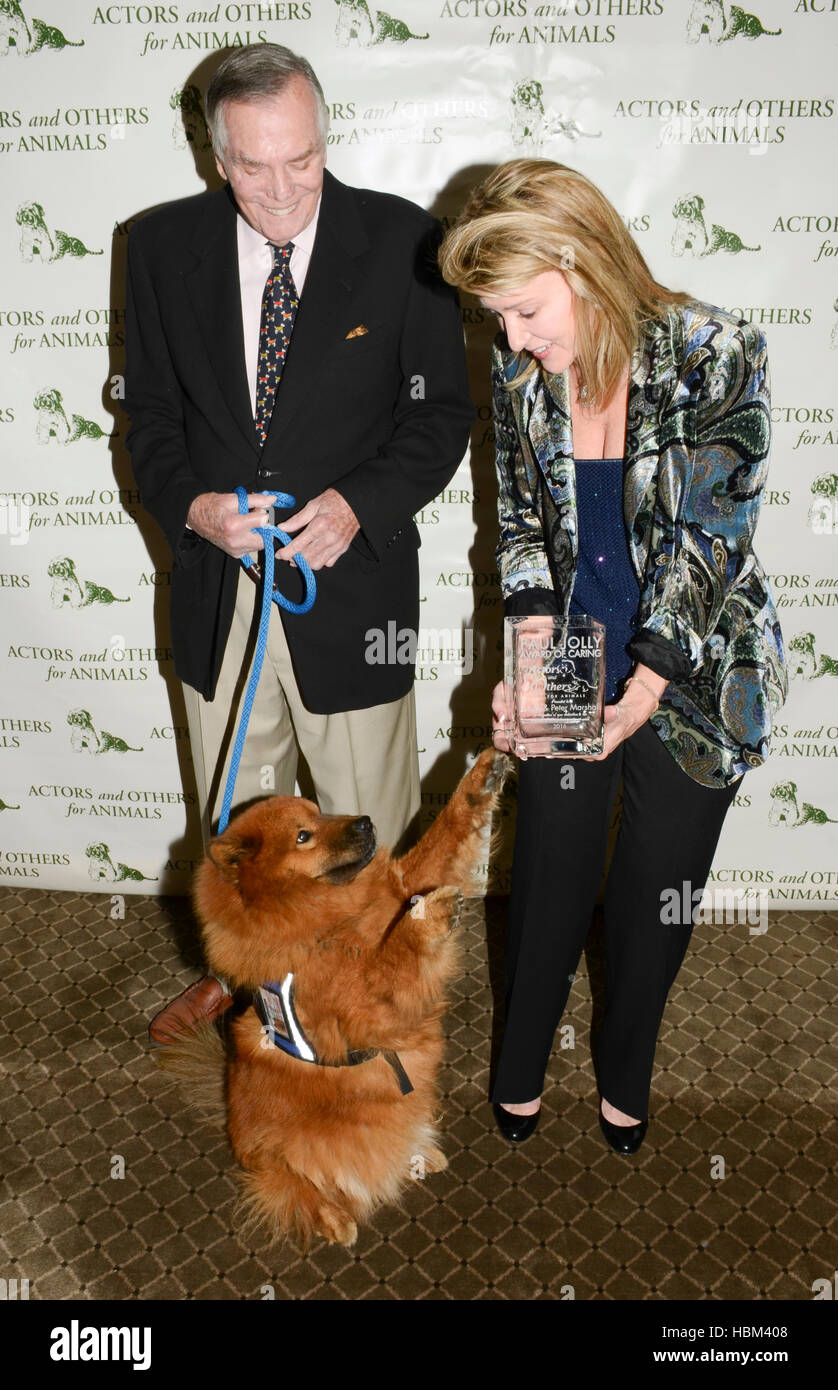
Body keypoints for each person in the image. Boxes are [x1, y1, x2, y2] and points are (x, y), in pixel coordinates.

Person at [124, 45, 473, 1043]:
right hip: (217, 595)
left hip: (352, 600)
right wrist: (192, 507)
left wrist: (356, 504)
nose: (279, 191)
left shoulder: (408, 243)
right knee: (245, 838)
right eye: (251, 166)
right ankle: (258, 992)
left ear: (326, 138)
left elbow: (440, 414)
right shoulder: (156, 249)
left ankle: (377, 1011)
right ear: (214, 153)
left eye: (301, 161)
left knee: (370, 832)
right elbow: (147, 415)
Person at [438, 160, 787, 1152]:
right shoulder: (518, 370)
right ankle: (519, 1062)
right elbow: (518, 531)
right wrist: (534, 660)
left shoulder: (716, 351)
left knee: (653, 895)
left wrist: (641, 694)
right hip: (579, 647)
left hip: (698, 667)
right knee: (548, 866)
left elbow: (709, 539)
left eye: (523, 310)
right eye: (497, 319)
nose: (512, 340)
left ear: (581, 261)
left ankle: (625, 1066)